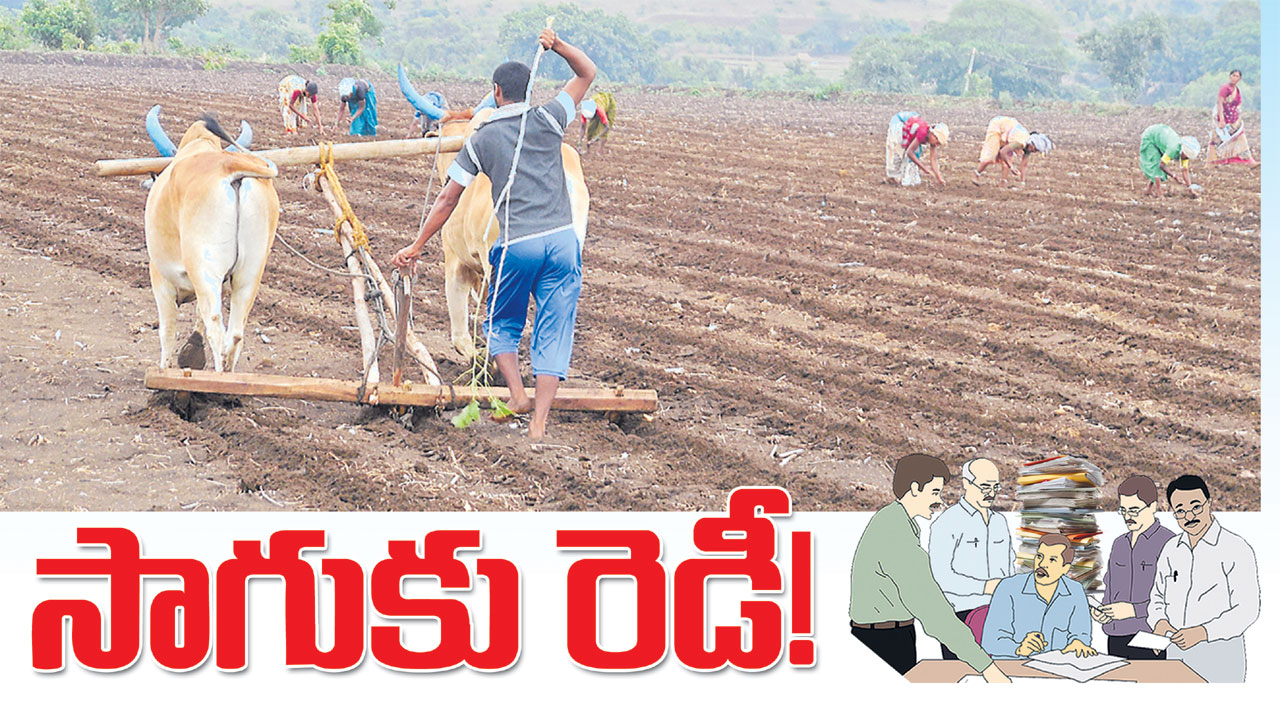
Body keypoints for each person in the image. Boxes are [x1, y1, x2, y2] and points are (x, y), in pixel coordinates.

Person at [391, 29, 596, 441]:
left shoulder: (479, 140)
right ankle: (538, 424)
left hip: (518, 244)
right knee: (554, 331)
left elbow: (448, 200)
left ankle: (518, 395)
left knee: (501, 323)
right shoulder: (549, 116)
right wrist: (556, 46)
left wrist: (416, 246)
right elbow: (587, 72)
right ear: (529, 90)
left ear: (496, 92)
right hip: (562, 242)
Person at [849, 454, 1010, 682]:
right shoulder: (896, 533)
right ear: (915, 488)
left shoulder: (898, 522)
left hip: (891, 633)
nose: (939, 501)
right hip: (883, 640)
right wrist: (987, 668)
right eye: (935, 492)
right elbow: (930, 607)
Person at [1149, 475, 1259, 682]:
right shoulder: (1171, 549)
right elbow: (1157, 596)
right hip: (1175, 655)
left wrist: (1203, 632)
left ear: (1209, 504)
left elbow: (1247, 609)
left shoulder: (1236, 548)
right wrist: (1160, 622)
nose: (1189, 515)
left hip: (1220, 657)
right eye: (1180, 511)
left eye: (1196, 507)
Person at [928, 458, 1016, 660]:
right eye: (984, 486)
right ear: (966, 483)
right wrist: (985, 587)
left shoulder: (1000, 522)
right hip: (958, 615)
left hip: (999, 615)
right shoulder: (947, 523)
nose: (991, 493)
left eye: (995, 487)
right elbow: (940, 576)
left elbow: (1009, 566)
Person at [1093, 475, 1176, 659]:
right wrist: (1103, 611)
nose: (1128, 517)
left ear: (1153, 506)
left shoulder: (1169, 543)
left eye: (1134, 510)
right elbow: (1111, 586)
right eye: (1123, 510)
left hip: (1151, 638)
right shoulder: (1119, 544)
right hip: (1115, 637)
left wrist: (1133, 610)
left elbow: (1176, 599)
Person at [981, 534, 1096, 659]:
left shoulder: (1075, 591)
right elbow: (990, 642)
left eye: (1052, 560)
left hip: (1058, 669)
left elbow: (1081, 634)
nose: (1042, 564)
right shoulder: (1008, 588)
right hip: (1014, 668)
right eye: (1040, 556)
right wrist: (1018, 649)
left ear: (1065, 568)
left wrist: (1078, 643)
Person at [972, 116, 1051, 186]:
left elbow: (1024, 165)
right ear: (1032, 144)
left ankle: (1003, 183)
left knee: (1007, 160)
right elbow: (1003, 152)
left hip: (1008, 133)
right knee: (991, 156)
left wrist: (1022, 182)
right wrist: (1012, 167)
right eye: (1035, 149)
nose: (1034, 151)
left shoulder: (1028, 147)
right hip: (997, 125)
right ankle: (976, 175)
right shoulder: (1020, 142)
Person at [884, 111, 948, 187]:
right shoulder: (922, 132)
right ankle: (893, 176)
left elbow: (933, 159)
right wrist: (923, 168)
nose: (936, 145)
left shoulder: (931, 138)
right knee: (897, 149)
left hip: (909, 126)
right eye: (937, 142)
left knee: (915, 153)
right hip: (899, 122)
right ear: (933, 135)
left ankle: (906, 177)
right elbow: (909, 152)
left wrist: (939, 178)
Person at [1210, 69, 1259, 166]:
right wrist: (1222, 119)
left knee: (1240, 137)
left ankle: (1248, 160)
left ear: (1239, 79)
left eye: (1237, 76)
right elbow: (1220, 102)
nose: (1234, 78)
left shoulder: (1236, 89)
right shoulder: (1225, 88)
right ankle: (1213, 161)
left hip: (1234, 119)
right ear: (1230, 76)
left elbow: (1237, 104)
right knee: (1218, 139)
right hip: (1225, 116)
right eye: (1233, 75)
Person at [1139, 124, 1200, 198]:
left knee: (1158, 161)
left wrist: (1191, 189)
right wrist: (1174, 176)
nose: (1187, 159)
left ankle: (1148, 190)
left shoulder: (1184, 154)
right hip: (1150, 136)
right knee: (1156, 164)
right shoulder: (1173, 149)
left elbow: (1185, 170)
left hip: (1160, 135)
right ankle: (1160, 193)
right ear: (1184, 152)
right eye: (1187, 157)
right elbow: (1161, 165)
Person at [577, 90, 615, 155]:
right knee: (591, 128)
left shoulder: (600, 110)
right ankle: (588, 151)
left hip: (609, 104)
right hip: (596, 107)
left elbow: (607, 127)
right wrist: (579, 142)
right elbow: (583, 127)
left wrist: (595, 138)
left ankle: (599, 151)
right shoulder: (585, 111)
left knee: (603, 129)